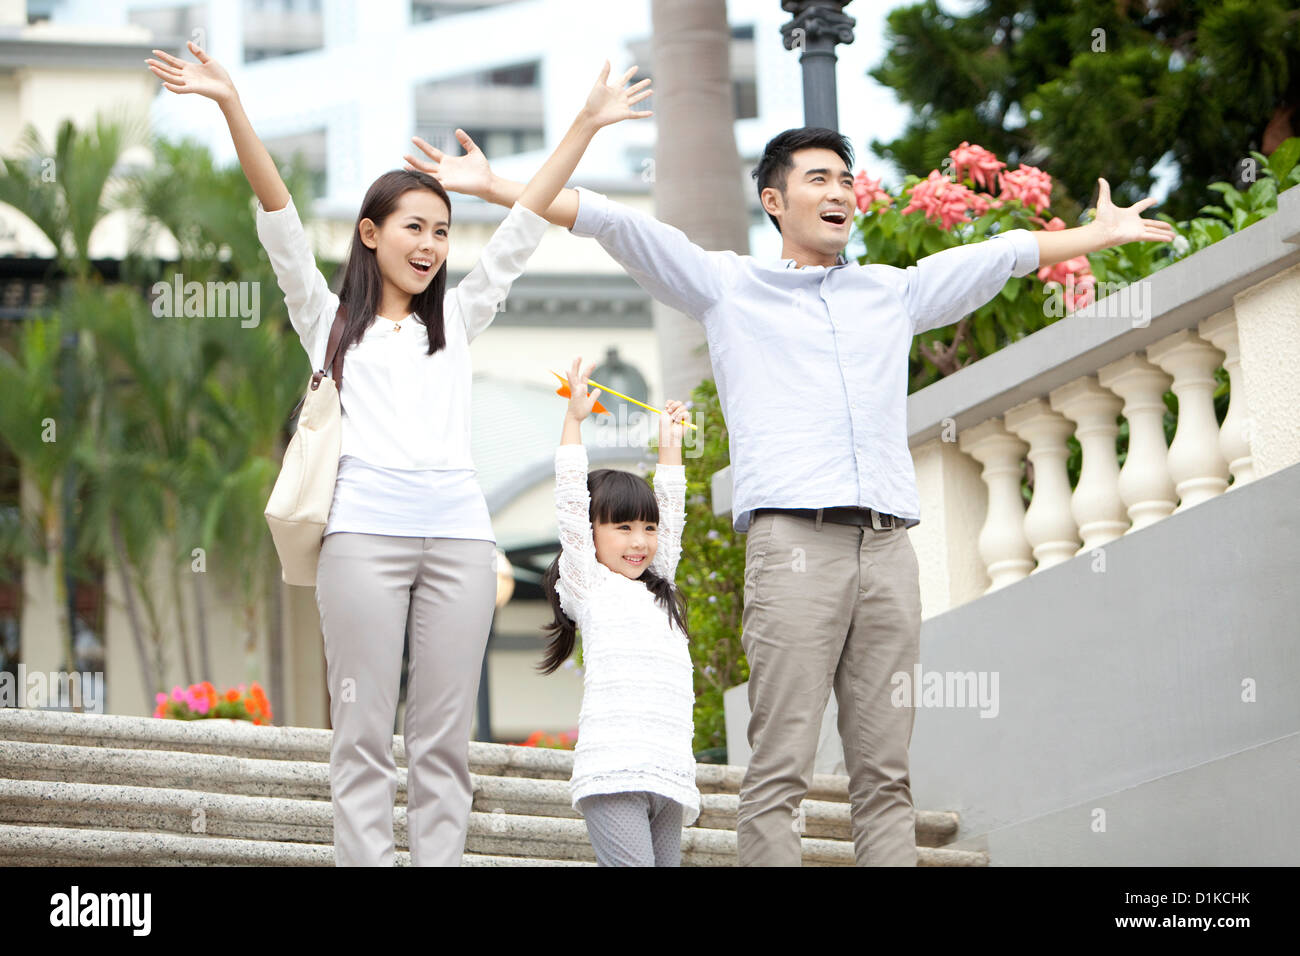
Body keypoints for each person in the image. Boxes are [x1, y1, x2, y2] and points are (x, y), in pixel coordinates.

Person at [406, 126, 1175, 866]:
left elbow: (1002, 253)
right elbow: (610, 221)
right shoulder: (728, 285)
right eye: (819, 178)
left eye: (846, 179)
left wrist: (1096, 236)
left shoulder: (892, 291)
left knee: (887, 774)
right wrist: (495, 186)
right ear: (774, 201)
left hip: (886, 548)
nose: (840, 191)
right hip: (792, 544)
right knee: (780, 770)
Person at [146, 43, 653, 866]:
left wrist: (586, 125)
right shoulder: (327, 320)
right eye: (414, 228)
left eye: (443, 232)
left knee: (444, 740)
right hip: (362, 539)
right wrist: (232, 103)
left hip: (459, 538)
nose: (430, 244)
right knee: (362, 731)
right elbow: (276, 214)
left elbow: (524, 225)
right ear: (370, 233)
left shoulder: (456, 322)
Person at [538, 357, 696, 866]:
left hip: (668, 770)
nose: (640, 541)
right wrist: (574, 420)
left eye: (646, 529)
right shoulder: (589, 583)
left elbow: (671, 507)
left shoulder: (660, 583)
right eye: (623, 528)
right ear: (593, 535)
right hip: (616, 769)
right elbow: (568, 500)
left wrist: (670, 441)